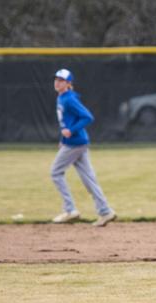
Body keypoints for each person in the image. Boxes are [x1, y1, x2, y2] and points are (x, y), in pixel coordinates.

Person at [49, 68, 116, 227]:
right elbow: (65, 122)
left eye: (61, 80)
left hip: (75, 143)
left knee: (55, 172)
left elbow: (87, 117)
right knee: (89, 178)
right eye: (56, 79)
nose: (57, 82)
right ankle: (105, 211)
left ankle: (70, 210)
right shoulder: (62, 97)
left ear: (68, 83)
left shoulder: (69, 99)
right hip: (77, 142)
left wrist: (71, 131)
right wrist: (63, 138)